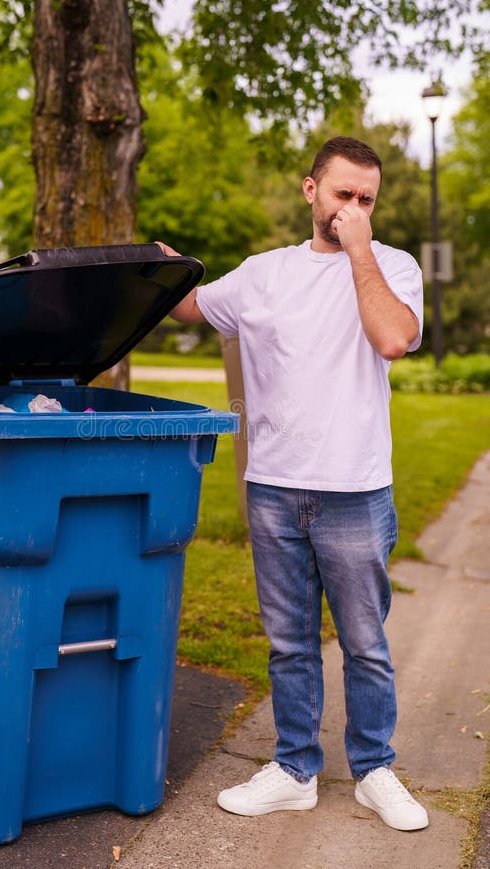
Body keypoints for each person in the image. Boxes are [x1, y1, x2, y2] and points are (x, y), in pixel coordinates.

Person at [158, 136, 428, 832]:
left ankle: (374, 770)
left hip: (355, 490)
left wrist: (360, 248)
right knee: (288, 641)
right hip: (273, 486)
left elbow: (394, 338)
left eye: (367, 199)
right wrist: (154, 274)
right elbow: (192, 308)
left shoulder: (392, 266)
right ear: (310, 191)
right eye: (343, 195)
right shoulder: (263, 273)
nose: (353, 209)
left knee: (366, 642)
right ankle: (295, 769)